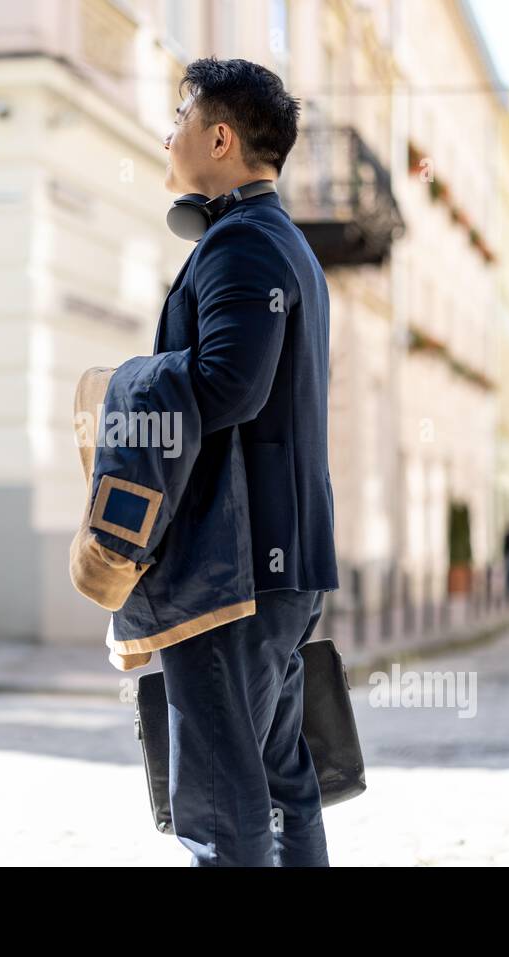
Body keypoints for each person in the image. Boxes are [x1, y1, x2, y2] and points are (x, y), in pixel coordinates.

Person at [154, 58, 338, 866]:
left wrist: (116, 383)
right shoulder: (281, 240)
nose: (168, 133)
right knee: (280, 787)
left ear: (219, 137)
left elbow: (228, 385)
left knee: (225, 810)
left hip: (233, 572)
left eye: (181, 117)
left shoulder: (241, 245)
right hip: (279, 563)